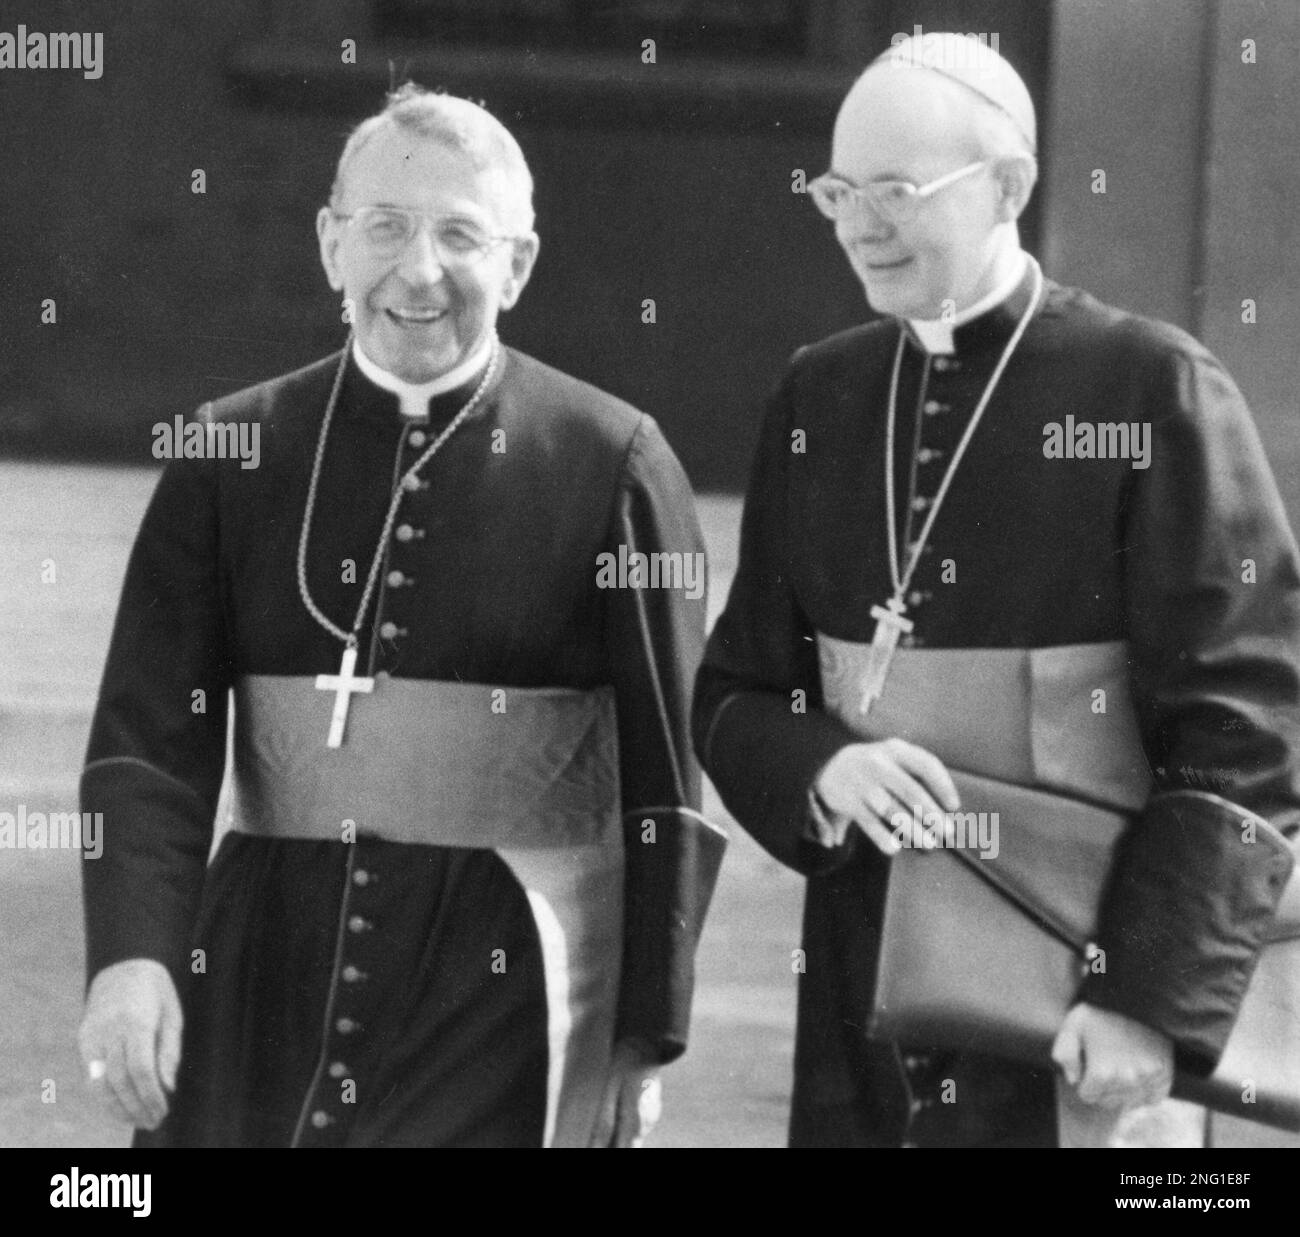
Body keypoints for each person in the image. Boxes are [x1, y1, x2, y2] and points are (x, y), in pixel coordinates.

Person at [79, 84, 724, 1148]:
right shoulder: (227, 453)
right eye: (384, 227)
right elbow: (150, 739)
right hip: (262, 957)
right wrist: (135, 955)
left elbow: (665, 776)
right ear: (332, 244)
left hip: (503, 974)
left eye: (460, 235)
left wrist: (643, 1033)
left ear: (516, 265)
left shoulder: (610, 462)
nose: (418, 271)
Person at [693, 32, 1300, 1148]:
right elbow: (738, 689)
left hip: (1083, 998)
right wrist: (823, 761)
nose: (857, 225)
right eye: (837, 191)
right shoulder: (818, 394)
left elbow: (1248, 724)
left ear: (1009, 186)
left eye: (895, 191)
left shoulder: (1148, 386)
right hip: (865, 992)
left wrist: (1147, 1002)